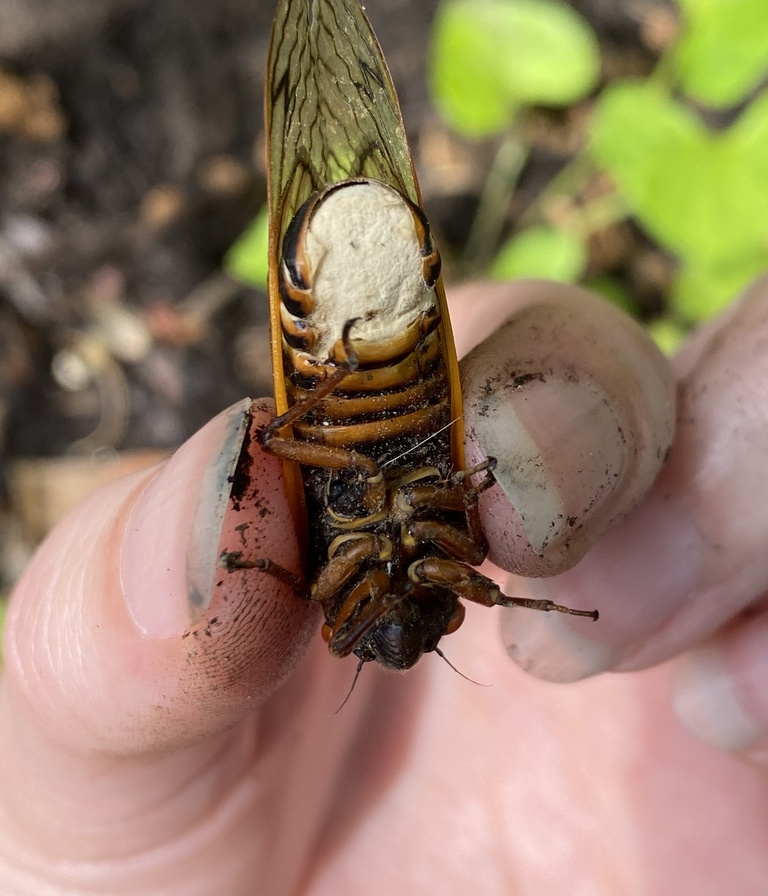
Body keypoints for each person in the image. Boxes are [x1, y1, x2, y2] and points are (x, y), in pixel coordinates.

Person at [1, 279, 767, 895]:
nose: (401, 625)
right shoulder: (443, 566)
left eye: (379, 632)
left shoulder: (346, 600)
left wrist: (278, 567)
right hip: (417, 429)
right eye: (423, 626)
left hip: (338, 420)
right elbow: (480, 568)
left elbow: (318, 583)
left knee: (277, 444)